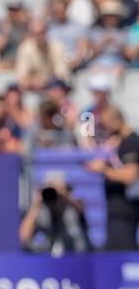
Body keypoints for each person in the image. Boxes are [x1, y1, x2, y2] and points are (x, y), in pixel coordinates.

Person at [85, 106, 139, 251]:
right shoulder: (118, 142)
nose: (105, 128)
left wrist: (103, 169)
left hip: (125, 211)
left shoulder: (131, 142)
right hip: (117, 210)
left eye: (106, 123)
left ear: (117, 120)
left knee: (121, 254)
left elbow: (130, 176)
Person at [19, 173, 91, 256]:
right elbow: (24, 236)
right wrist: (36, 204)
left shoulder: (73, 206)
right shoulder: (41, 211)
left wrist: (63, 194)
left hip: (77, 256)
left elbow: (80, 209)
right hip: (51, 258)